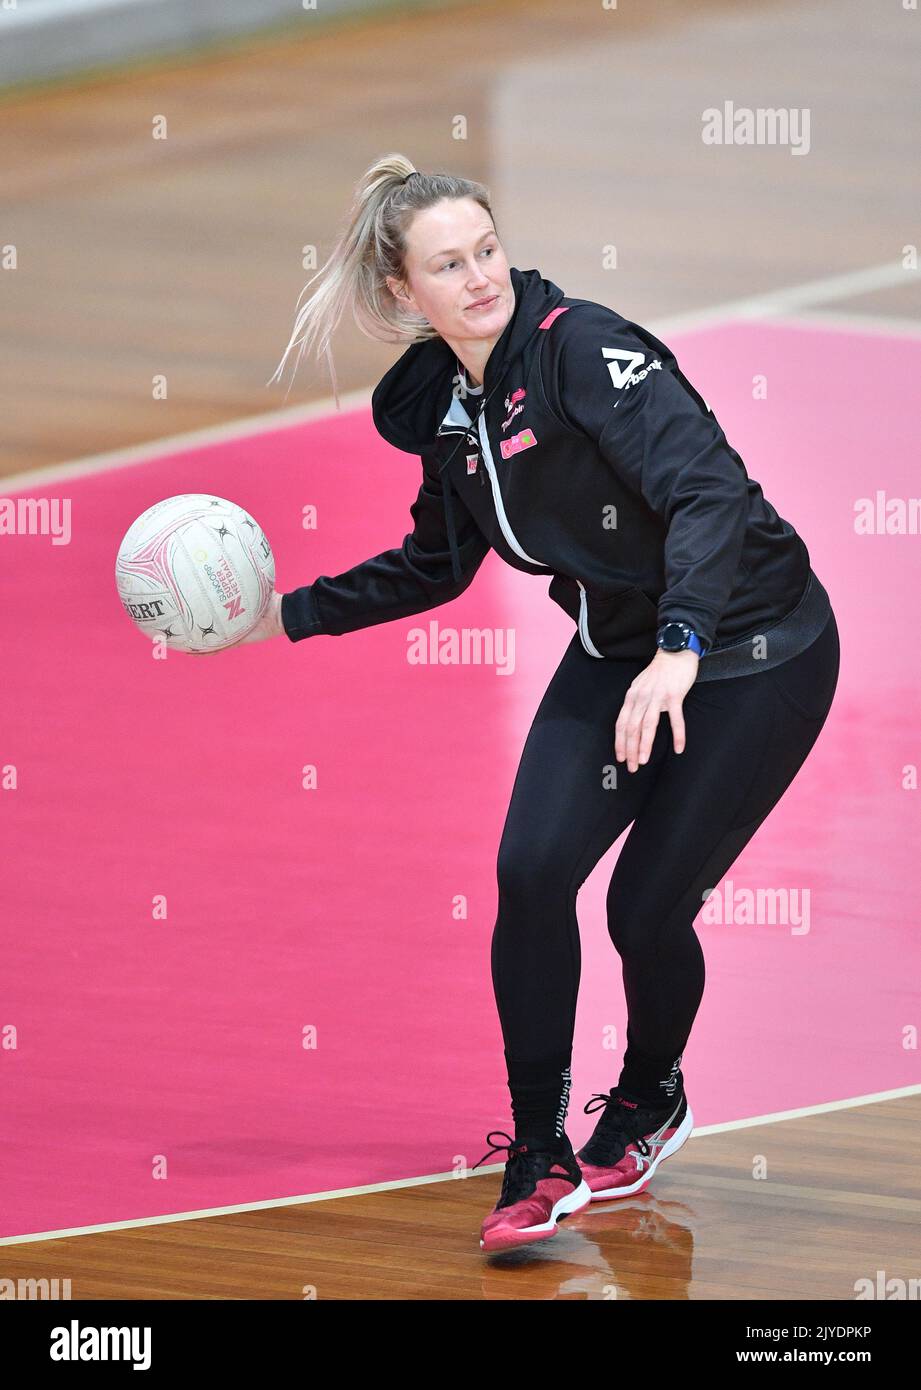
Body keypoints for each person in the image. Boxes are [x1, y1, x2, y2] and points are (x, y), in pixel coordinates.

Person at [247, 153, 840, 1255]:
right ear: (402, 296)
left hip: (755, 649)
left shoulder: (583, 351)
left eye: (486, 251)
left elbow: (707, 489)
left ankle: (648, 1093)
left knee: (642, 909)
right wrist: (281, 614)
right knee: (528, 873)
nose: (481, 279)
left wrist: (681, 646)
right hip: (623, 650)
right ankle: (537, 1151)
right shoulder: (445, 406)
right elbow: (437, 563)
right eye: (449, 266)